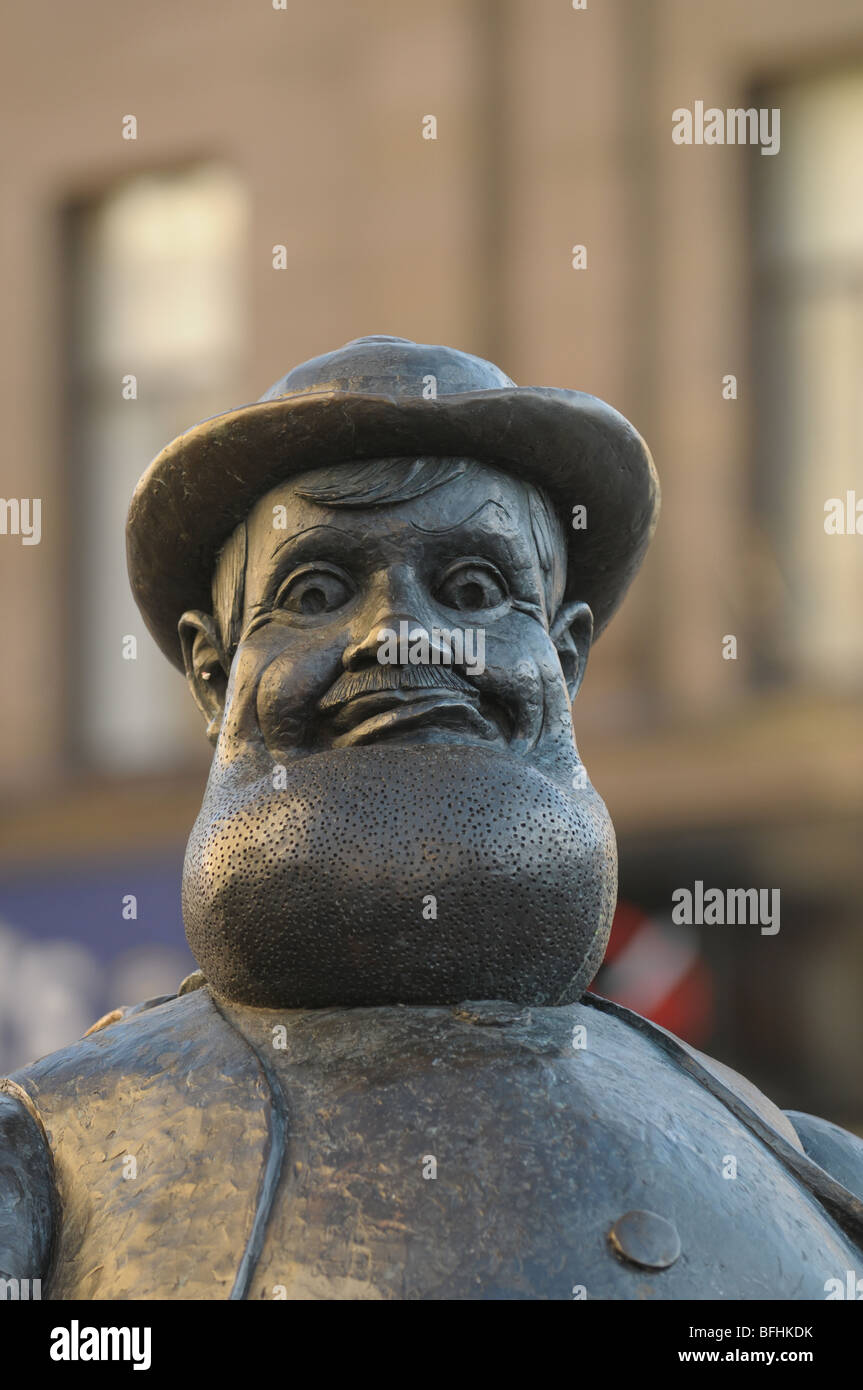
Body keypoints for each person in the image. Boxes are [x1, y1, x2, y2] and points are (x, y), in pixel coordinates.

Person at [2, 336, 861, 1300]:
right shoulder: (44, 1162)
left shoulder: (819, 1175)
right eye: (315, 592)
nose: (401, 634)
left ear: (564, 658)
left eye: (474, 590)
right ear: (214, 675)